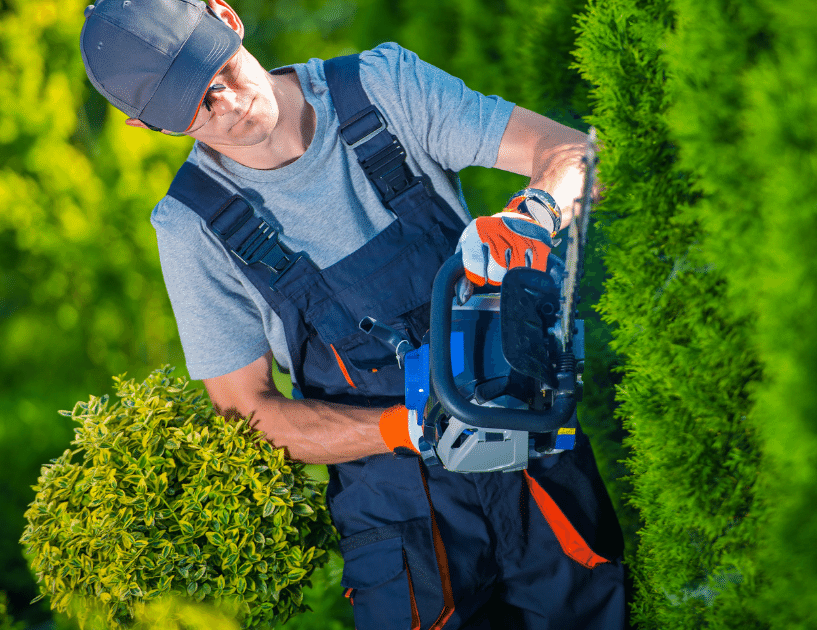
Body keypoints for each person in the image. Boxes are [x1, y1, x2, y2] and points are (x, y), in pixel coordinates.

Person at [78, 0, 627, 628]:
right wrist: (405, 429)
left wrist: (536, 214)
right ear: (145, 125)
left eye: (220, 69)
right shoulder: (192, 228)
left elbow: (574, 153)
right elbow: (252, 417)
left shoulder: (381, 88)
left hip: (527, 449)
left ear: (227, 18)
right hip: (398, 517)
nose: (228, 102)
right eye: (197, 105)